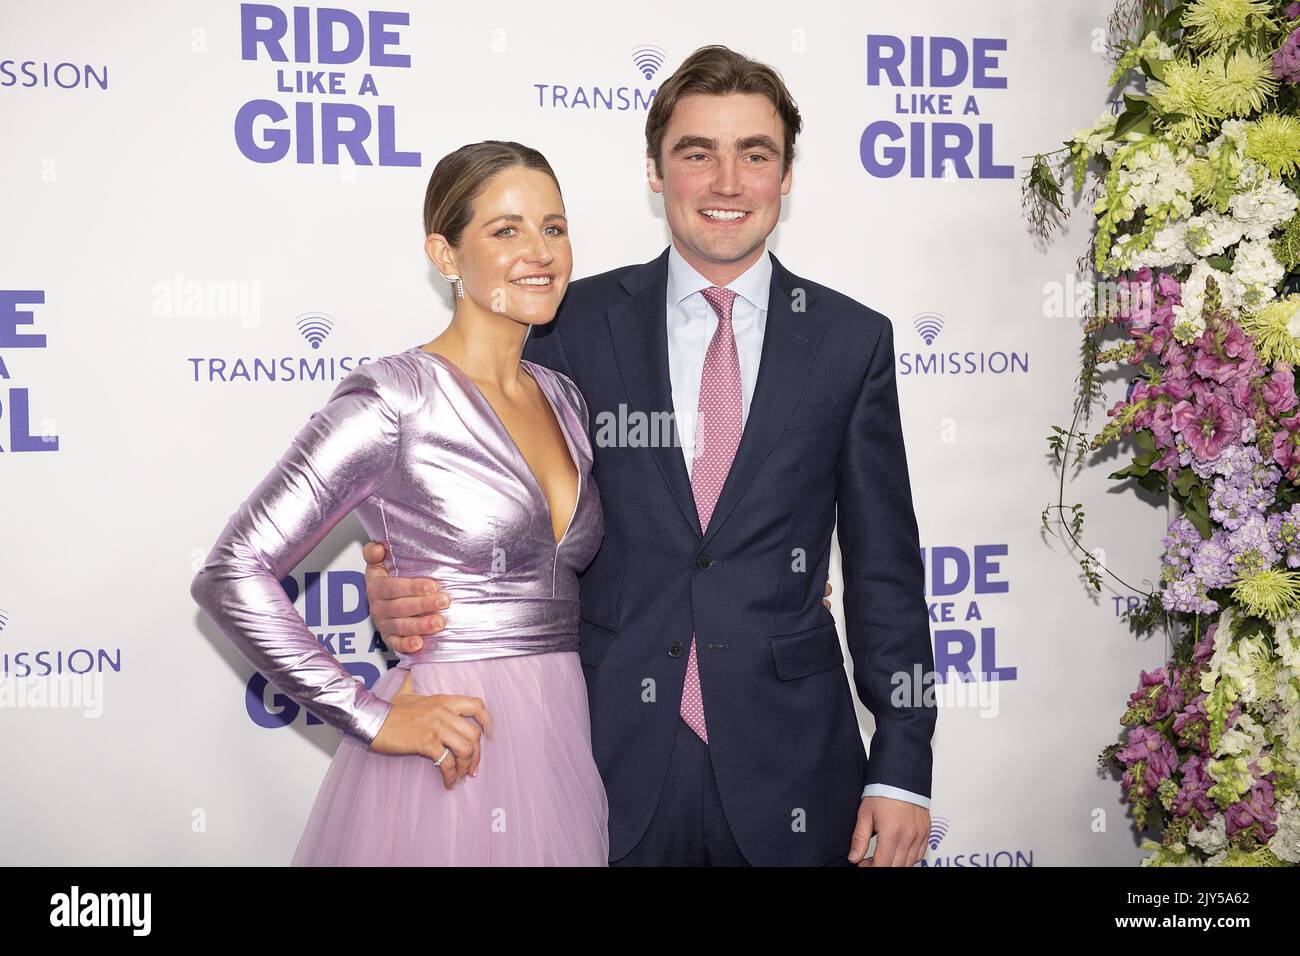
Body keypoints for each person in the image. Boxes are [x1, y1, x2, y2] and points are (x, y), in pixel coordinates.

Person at [362, 45, 938, 867]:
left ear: (786, 174)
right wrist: (403, 584)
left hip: (796, 764)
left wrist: (904, 766)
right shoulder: (564, 322)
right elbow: (479, 487)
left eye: (756, 154)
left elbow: (886, 569)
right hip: (601, 754)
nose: (727, 182)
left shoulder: (852, 341)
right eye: (697, 153)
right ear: (655, 171)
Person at [190, 141, 610, 866]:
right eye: (505, 230)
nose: (538, 251)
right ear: (445, 256)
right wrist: (371, 716)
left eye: (554, 226)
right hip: (452, 746)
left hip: (560, 732)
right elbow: (231, 570)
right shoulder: (393, 399)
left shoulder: (564, 399)